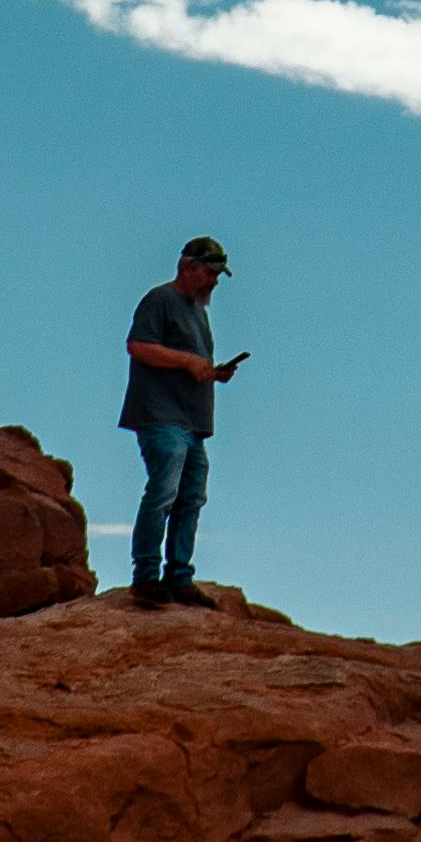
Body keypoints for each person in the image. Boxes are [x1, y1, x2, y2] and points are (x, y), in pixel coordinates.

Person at [118, 237, 244, 610]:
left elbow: (187, 361)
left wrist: (211, 372)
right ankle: (145, 577)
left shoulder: (197, 311)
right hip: (161, 416)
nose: (214, 282)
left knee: (191, 498)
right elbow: (139, 346)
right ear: (187, 268)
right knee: (163, 494)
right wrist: (188, 361)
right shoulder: (160, 300)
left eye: (218, 275)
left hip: (193, 421)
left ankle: (179, 577)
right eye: (209, 273)